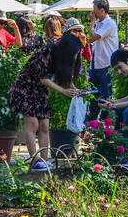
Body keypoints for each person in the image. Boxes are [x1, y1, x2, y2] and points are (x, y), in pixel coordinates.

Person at [8, 21, 84, 170]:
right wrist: (63, 91)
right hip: (26, 87)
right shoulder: (47, 52)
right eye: (73, 54)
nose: (74, 57)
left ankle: (44, 160)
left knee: (44, 126)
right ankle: (34, 160)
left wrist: (75, 90)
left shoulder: (61, 57)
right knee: (33, 124)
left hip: (40, 90)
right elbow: (44, 78)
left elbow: (64, 79)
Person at [87, 0, 120, 119]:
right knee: (93, 97)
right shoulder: (99, 24)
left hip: (106, 66)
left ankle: (105, 124)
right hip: (95, 65)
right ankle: (91, 123)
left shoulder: (108, 23)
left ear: (102, 10)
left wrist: (92, 22)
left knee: (106, 97)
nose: (92, 12)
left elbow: (92, 37)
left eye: (94, 9)